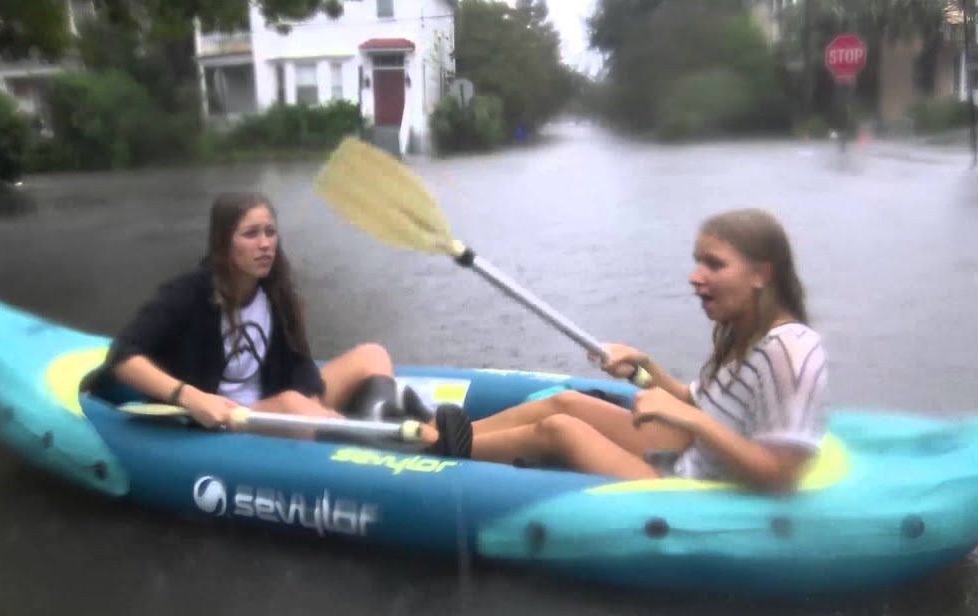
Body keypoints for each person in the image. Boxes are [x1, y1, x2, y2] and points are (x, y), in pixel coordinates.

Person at [466, 208, 828, 492]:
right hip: (690, 452)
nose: (695, 275)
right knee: (567, 403)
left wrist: (694, 421)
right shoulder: (745, 332)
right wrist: (647, 370)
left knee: (560, 429)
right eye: (698, 260)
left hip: (695, 488)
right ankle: (444, 430)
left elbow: (780, 477)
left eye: (714, 264)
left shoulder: (789, 350)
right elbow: (704, 406)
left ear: (761, 275)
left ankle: (438, 445)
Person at [102, 191, 473, 457]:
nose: (265, 244)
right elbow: (124, 356)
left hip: (275, 404)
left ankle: (396, 424)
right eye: (251, 234)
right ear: (223, 244)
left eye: (270, 232)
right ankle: (413, 443)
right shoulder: (188, 295)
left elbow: (298, 366)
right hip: (226, 417)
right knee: (294, 404)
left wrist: (318, 409)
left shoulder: (276, 294)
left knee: (371, 355)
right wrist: (192, 398)